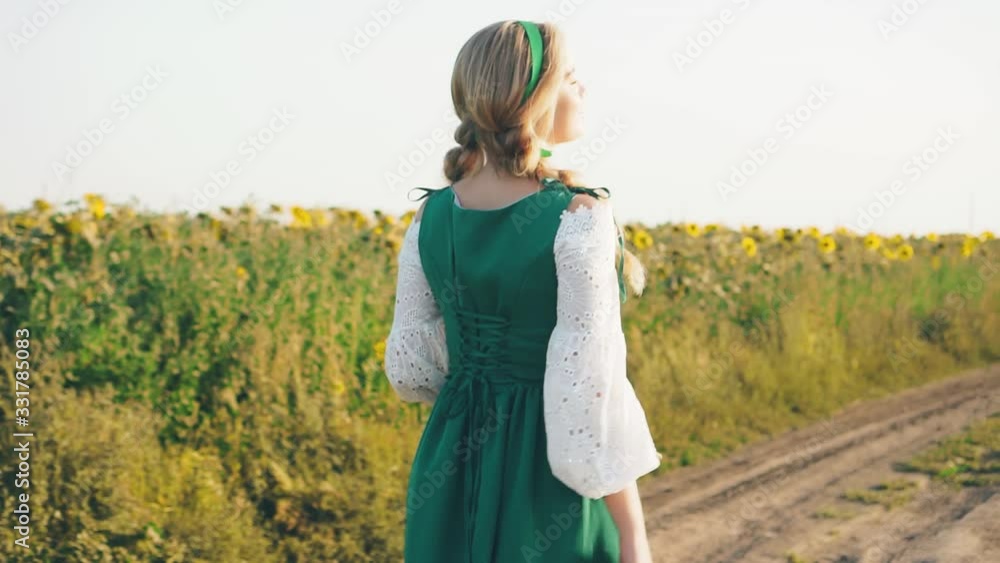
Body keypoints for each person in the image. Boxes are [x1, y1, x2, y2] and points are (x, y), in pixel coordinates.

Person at [385, 20, 662, 563]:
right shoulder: (579, 215)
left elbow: (411, 368)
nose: (583, 90)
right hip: (547, 462)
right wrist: (634, 538)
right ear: (534, 97)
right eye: (572, 77)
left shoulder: (432, 215)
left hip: (452, 459)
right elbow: (589, 389)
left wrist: (476, 384)